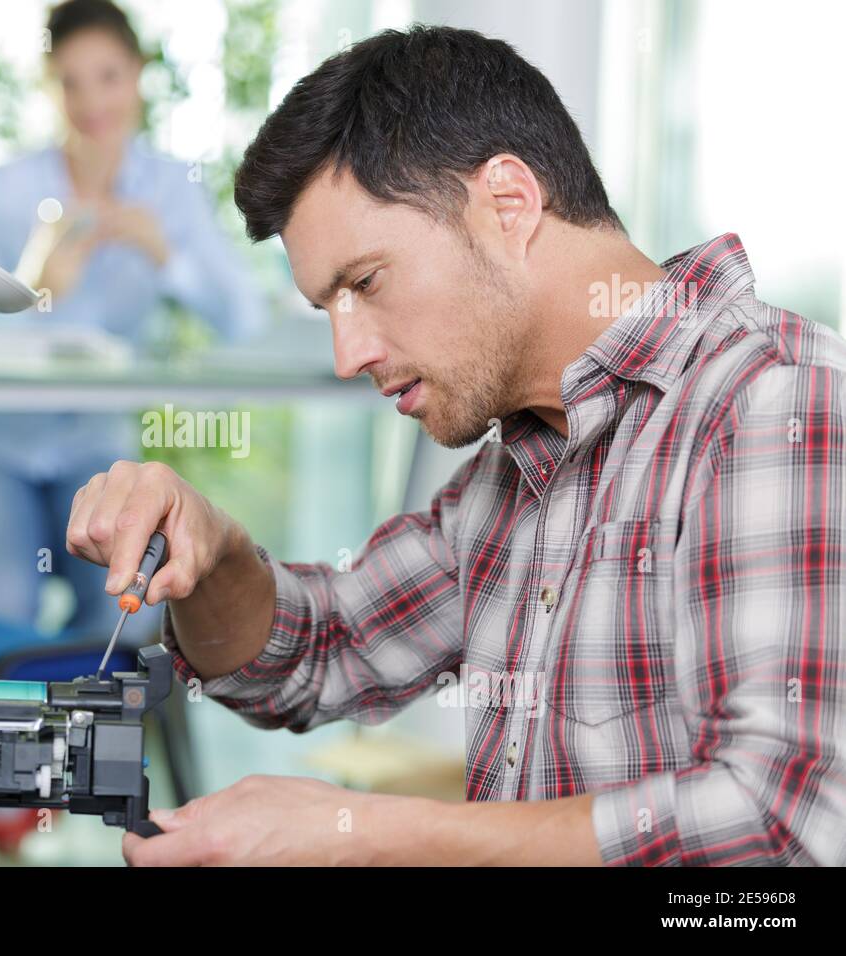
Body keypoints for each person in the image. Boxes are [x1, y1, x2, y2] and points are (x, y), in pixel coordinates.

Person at [66, 25, 846, 865]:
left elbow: (783, 827)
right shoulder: (515, 471)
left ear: (507, 205)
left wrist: (362, 836)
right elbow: (317, 652)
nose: (348, 355)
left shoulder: (774, 401)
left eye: (364, 284)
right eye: (328, 308)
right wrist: (208, 545)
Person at [0, 0, 263, 638]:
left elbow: (244, 319)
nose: (92, 101)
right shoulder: (6, 189)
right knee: (7, 593)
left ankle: (83, 732)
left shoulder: (169, 189)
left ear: (137, 75)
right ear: (49, 87)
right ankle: (0, 734)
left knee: (126, 602)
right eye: (70, 82)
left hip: (90, 451)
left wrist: (166, 254)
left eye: (109, 77)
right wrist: (33, 286)